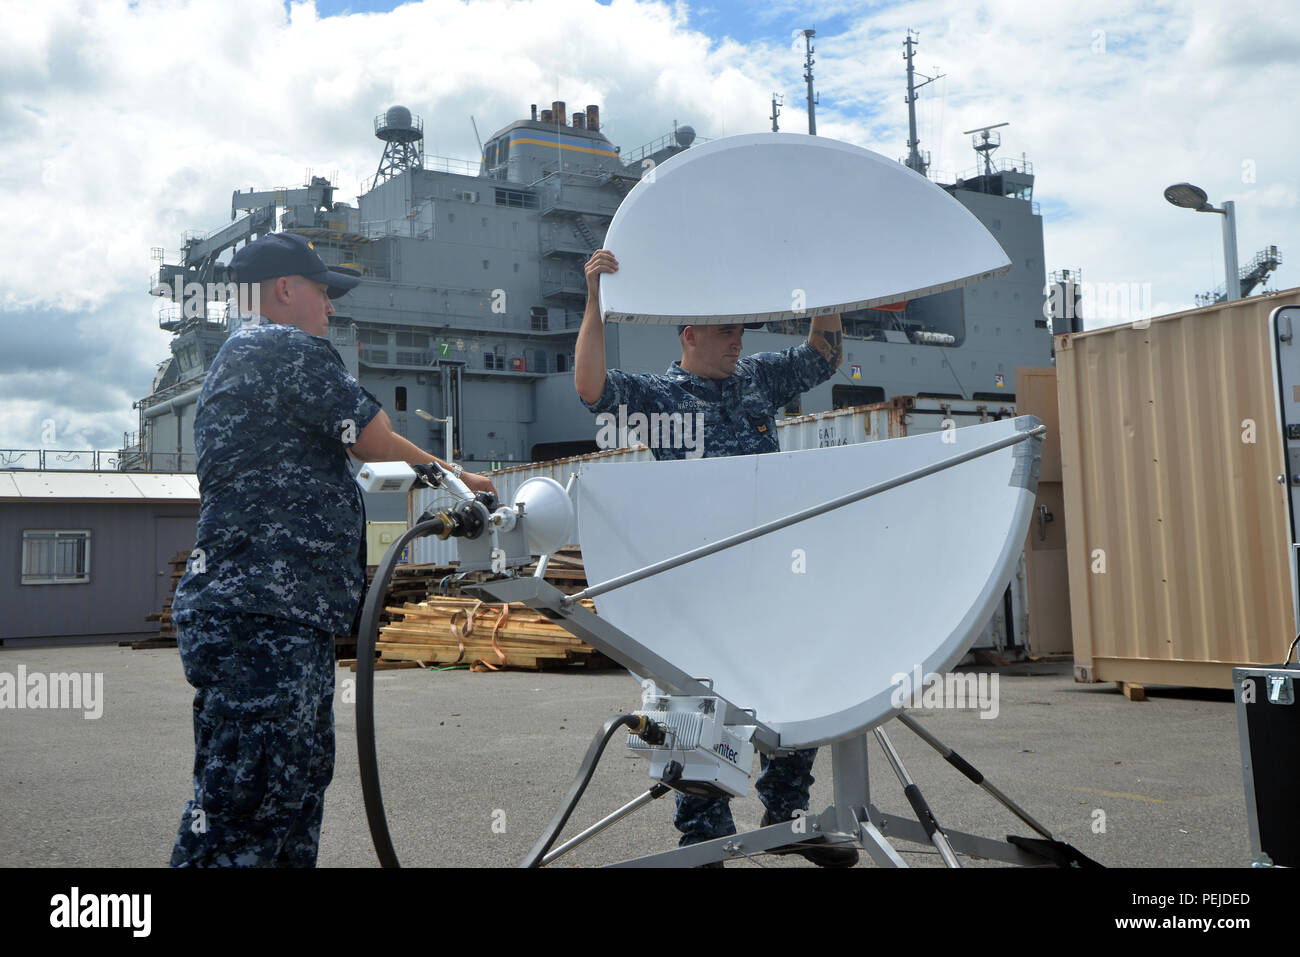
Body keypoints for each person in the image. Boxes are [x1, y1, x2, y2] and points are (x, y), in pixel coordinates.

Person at [170, 232, 494, 867]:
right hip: (261, 617)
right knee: (246, 805)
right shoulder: (277, 344)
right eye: (324, 293)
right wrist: (451, 476)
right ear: (285, 290)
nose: (331, 309)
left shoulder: (249, 355)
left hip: (281, 616)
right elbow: (371, 436)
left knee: (290, 791)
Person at [574, 248, 857, 867]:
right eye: (726, 331)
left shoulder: (756, 378)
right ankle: (704, 840)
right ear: (690, 333)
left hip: (771, 573)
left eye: (741, 331)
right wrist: (595, 300)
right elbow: (590, 388)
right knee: (698, 711)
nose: (737, 342)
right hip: (700, 585)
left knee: (797, 690)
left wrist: (830, 288)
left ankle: (789, 820)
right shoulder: (658, 395)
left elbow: (821, 356)